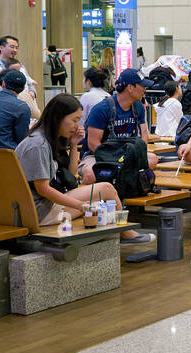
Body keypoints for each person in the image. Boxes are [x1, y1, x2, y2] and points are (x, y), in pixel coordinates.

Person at [14, 94, 155, 244]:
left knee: (104, 196)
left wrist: (74, 144)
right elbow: (43, 189)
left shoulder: (43, 139)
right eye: (74, 120)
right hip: (40, 212)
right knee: (100, 200)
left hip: (41, 205)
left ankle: (122, 231)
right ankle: (125, 232)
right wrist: (81, 206)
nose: (77, 125)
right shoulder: (38, 146)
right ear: (59, 117)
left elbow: (71, 174)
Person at [80, 67, 160, 181]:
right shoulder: (102, 109)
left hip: (126, 154)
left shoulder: (138, 107)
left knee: (152, 159)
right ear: (130, 88)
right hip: (98, 156)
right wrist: (115, 158)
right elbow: (93, 144)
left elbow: (144, 135)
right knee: (90, 173)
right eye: (142, 86)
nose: (145, 89)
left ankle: (125, 186)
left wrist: (135, 155)